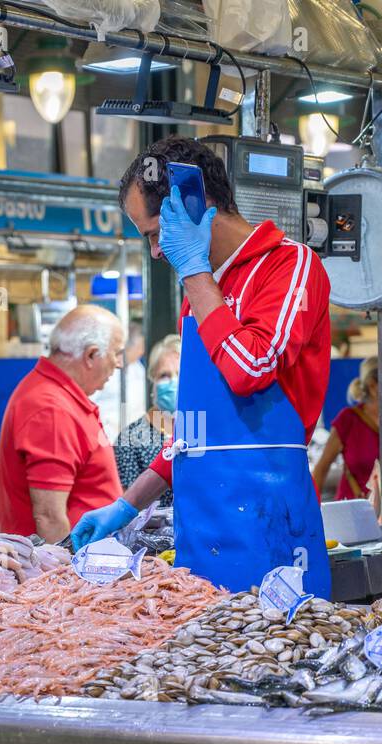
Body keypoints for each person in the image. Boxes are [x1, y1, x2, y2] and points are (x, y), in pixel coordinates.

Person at [71, 136, 333, 597]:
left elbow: (250, 368)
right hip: (200, 533)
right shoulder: (199, 295)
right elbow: (191, 432)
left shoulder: (290, 266)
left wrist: (194, 271)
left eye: (155, 232)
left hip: (271, 530)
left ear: (194, 202)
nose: (155, 251)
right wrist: (126, 506)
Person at [0, 305, 125, 542]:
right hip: (70, 567)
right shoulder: (51, 408)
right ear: (91, 356)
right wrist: (69, 575)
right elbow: (49, 517)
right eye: (116, 353)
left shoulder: (59, 396)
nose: (119, 364)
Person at [114, 333, 181, 508]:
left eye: (181, 374)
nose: (173, 382)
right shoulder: (130, 439)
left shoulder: (206, 432)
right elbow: (127, 506)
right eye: (164, 375)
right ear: (153, 382)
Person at [312, 356, 381, 505]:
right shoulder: (348, 419)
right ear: (373, 386)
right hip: (352, 515)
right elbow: (321, 468)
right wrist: (311, 513)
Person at [93, 321, 148, 441]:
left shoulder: (138, 368)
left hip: (132, 437)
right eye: (140, 347)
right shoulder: (107, 370)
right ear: (128, 347)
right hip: (105, 436)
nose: (141, 352)